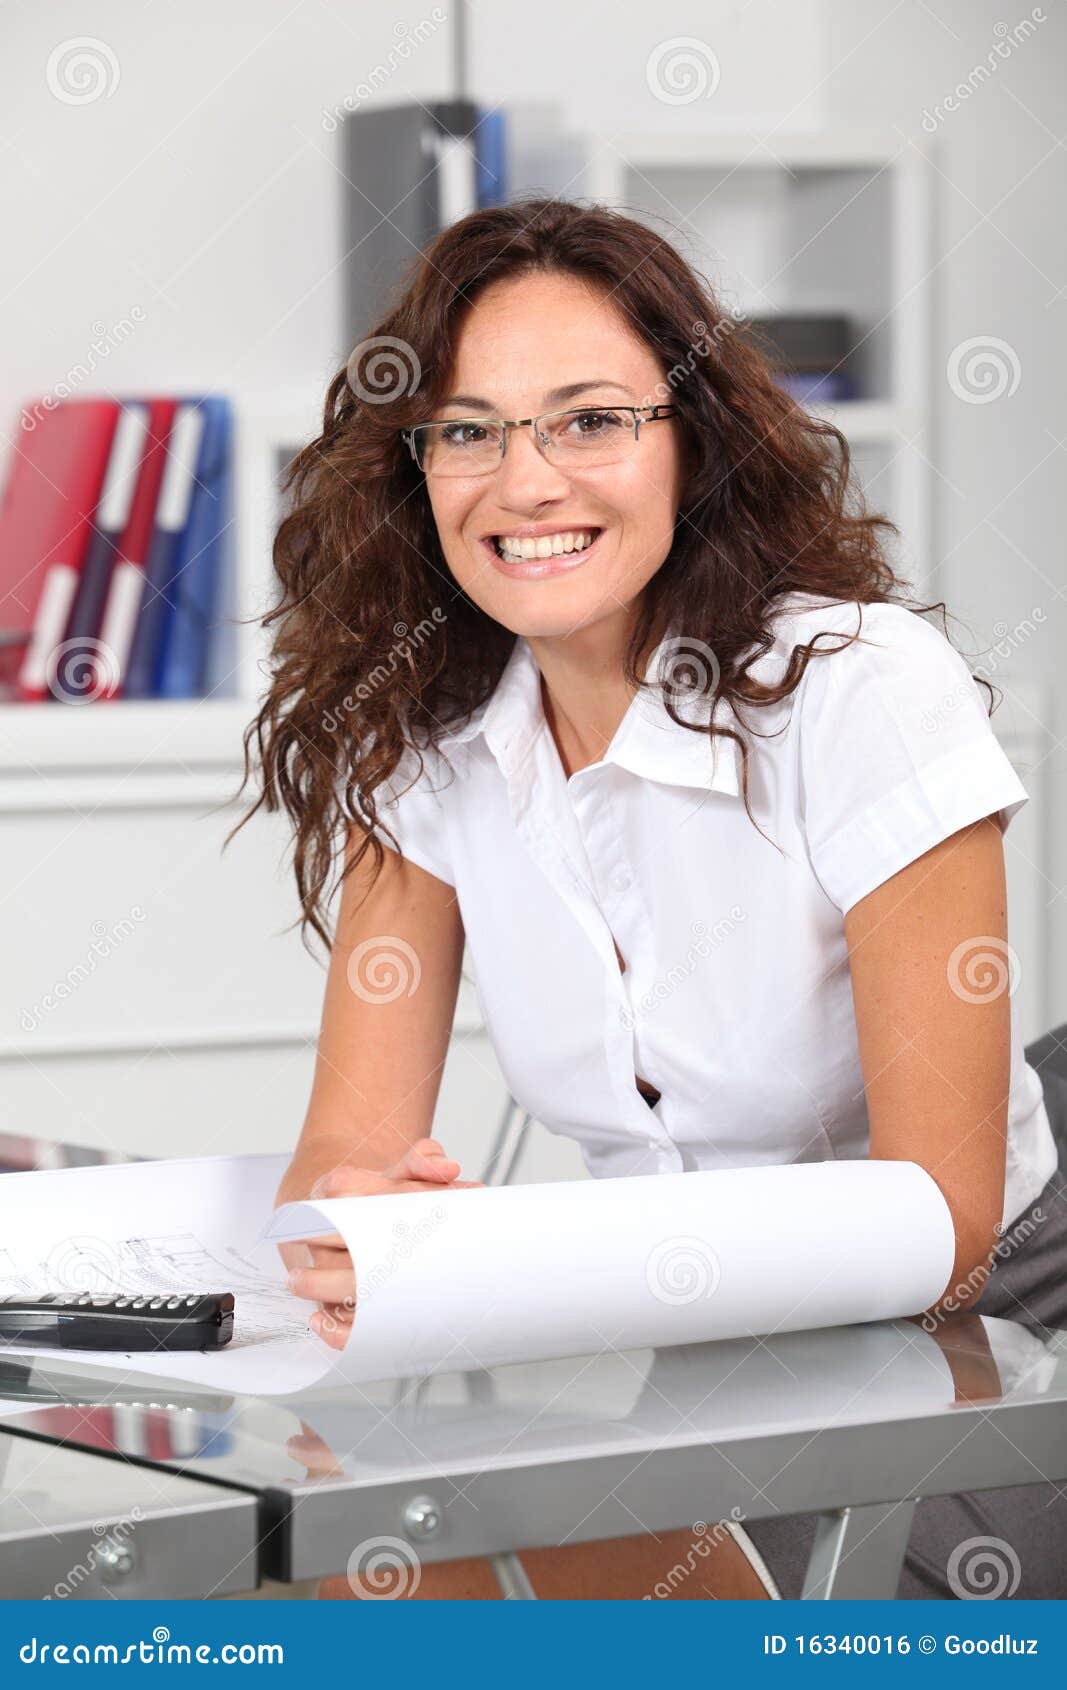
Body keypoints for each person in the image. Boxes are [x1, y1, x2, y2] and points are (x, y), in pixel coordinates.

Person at [234, 197, 1066, 1600]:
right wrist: (364, 1218)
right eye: (471, 429)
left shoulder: (858, 690)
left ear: (694, 444)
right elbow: (341, 1153)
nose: (526, 480)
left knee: (656, 1601)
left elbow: (940, 1222)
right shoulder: (423, 739)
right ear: (418, 469)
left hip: (990, 1333)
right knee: (362, 1572)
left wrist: (503, 1258)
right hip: (704, 1359)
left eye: (590, 420)